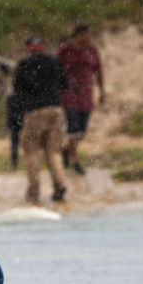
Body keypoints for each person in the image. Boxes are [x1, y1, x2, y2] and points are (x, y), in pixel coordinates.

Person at [12, 35, 69, 203]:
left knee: (31, 152)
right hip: (56, 110)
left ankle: (34, 191)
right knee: (53, 152)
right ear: (43, 46)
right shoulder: (54, 62)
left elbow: (17, 92)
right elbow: (65, 84)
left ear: (28, 48)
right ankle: (60, 185)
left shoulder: (23, 65)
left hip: (34, 112)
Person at [57, 23, 104, 175]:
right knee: (73, 128)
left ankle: (65, 150)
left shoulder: (92, 51)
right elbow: (56, 69)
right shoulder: (65, 50)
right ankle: (75, 162)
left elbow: (99, 71)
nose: (89, 37)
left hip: (86, 96)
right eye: (86, 34)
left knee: (81, 132)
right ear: (78, 35)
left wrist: (102, 91)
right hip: (68, 95)